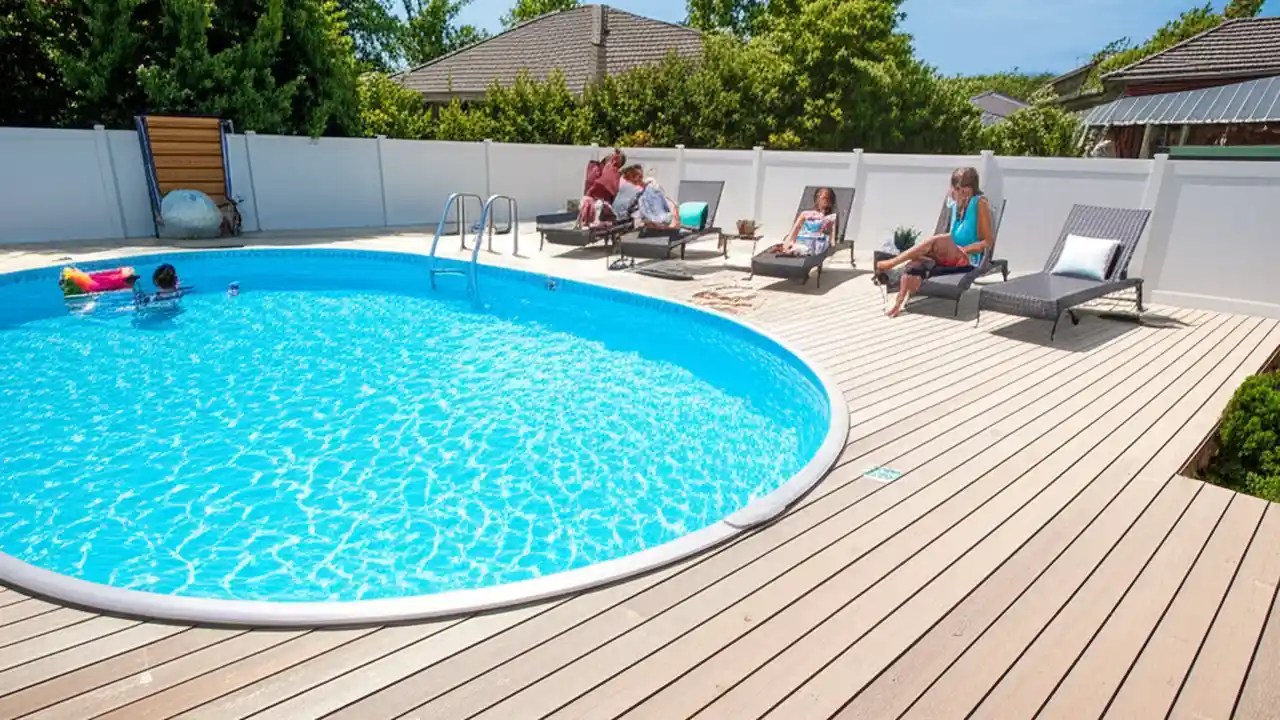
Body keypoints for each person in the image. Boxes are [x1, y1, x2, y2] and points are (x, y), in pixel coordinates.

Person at [876, 167, 993, 318]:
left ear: (971, 188)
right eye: (956, 188)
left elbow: (987, 241)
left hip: (968, 258)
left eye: (963, 188)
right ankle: (899, 302)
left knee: (939, 240)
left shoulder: (979, 203)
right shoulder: (955, 204)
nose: (959, 192)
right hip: (950, 254)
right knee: (916, 262)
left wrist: (966, 249)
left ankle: (893, 262)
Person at [762, 187, 839, 257]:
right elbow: (795, 229)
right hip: (802, 240)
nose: (823, 201)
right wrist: (788, 242)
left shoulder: (831, 217)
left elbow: (832, 236)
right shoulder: (806, 214)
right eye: (820, 198)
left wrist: (832, 246)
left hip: (816, 243)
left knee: (800, 249)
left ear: (830, 201)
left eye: (825, 199)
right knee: (790, 245)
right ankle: (786, 250)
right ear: (816, 199)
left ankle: (790, 252)